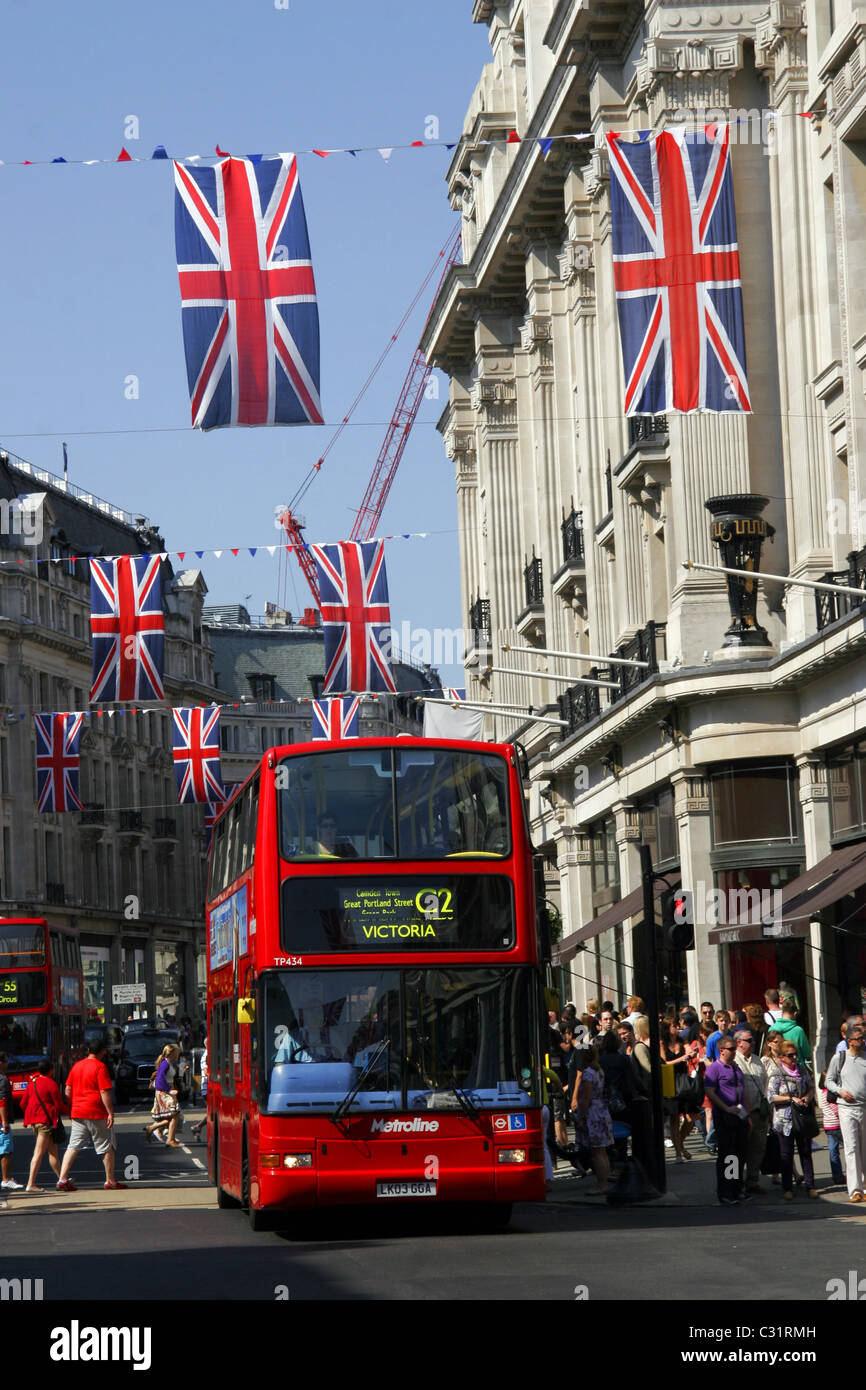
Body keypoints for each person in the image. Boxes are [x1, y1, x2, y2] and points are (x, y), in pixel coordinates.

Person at [57, 1038, 126, 1191]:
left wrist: (71, 1106)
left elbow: (67, 1090)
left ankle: (62, 1179)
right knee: (106, 1146)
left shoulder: (76, 1066)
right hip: (96, 1111)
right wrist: (110, 1113)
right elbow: (104, 1091)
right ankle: (110, 1180)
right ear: (103, 1051)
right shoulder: (100, 1067)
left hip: (78, 1111)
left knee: (73, 1146)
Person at [766, 1041, 817, 1200]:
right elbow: (770, 1096)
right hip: (784, 1120)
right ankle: (787, 1188)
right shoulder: (777, 1073)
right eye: (790, 1055)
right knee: (786, 1155)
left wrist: (807, 1098)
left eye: (795, 1054)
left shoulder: (801, 1070)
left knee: (806, 1152)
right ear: (782, 1057)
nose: (794, 1057)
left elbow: (812, 1088)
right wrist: (790, 1098)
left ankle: (810, 1185)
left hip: (801, 1118)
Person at [704, 1038, 750, 1205]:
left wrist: (747, 1115)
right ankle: (727, 1192)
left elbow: (743, 1092)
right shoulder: (714, 1069)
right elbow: (710, 1091)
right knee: (728, 1156)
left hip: (740, 1116)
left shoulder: (736, 1068)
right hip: (725, 1117)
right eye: (730, 1049)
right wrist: (725, 1108)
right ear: (721, 1050)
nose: (734, 1051)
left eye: (734, 1048)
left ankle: (737, 1189)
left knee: (740, 1154)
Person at [825, 1023, 866, 1202]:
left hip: (863, 1107)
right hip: (846, 1108)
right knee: (851, 1148)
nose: (862, 1041)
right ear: (849, 1041)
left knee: (864, 1148)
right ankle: (855, 1190)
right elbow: (828, 1081)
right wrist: (841, 1091)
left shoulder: (865, 1058)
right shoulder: (839, 1058)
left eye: (863, 1037)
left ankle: (864, 1186)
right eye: (859, 1038)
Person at [21, 1059, 68, 1193]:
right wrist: (70, 1111)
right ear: (51, 1071)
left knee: (53, 1152)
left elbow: (23, 1104)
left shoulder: (32, 1084)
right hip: (45, 1122)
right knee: (39, 1153)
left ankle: (62, 1179)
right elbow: (59, 1105)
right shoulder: (51, 1084)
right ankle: (31, 1183)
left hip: (34, 1121)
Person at [571, 1044, 612, 1194]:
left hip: (593, 1112)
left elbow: (586, 1097)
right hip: (602, 1110)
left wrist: (581, 1116)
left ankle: (601, 1185)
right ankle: (604, 1182)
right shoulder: (599, 1071)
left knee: (596, 1152)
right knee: (602, 1151)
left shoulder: (588, 1073)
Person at [733, 1030, 768, 1194]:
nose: (753, 1043)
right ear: (739, 1042)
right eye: (749, 1040)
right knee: (737, 1150)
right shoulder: (733, 1061)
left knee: (758, 1148)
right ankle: (733, 1183)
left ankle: (752, 1181)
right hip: (740, 1113)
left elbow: (765, 1083)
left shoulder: (757, 1060)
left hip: (758, 1111)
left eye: (753, 1040)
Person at [145, 1044, 183, 1147]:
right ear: (172, 1053)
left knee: (172, 1116)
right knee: (175, 1114)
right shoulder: (165, 1064)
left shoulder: (169, 1063)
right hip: (164, 1093)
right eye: (177, 1052)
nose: (178, 1054)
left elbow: (169, 1078)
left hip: (166, 1092)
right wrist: (170, 1091)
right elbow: (160, 1080)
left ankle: (152, 1128)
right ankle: (170, 1139)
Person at [818, 1069, 845, 1187]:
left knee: (833, 1151)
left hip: (828, 1126)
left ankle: (837, 1175)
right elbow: (835, 1109)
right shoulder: (830, 1094)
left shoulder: (822, 1093)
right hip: (837, 1125)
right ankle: (849, 1173)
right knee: (849, 1149)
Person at [0, 1051, 22, 1191]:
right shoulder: (3, 1080)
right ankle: (6, 1179)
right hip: (1, 1121)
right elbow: (1, 1102)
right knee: (6, 1150)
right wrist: (4, 1122)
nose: (8, 1064)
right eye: (6, 1061)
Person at [771, 996, 811, 1065]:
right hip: (796, 1068)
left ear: (782, 1012)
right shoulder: (798, 1030)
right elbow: (807, 1053)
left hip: (777, 1067)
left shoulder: (771, 1029)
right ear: (795, 1013)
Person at [190, 1037, 208, 1141]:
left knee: (212, 1113)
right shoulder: (206, 1055)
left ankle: (197, 1128)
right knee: (212, 1113)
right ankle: (197, 1127)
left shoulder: (209, 1054)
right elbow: (206, 1072)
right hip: (207, 1088)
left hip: (208, 1088)